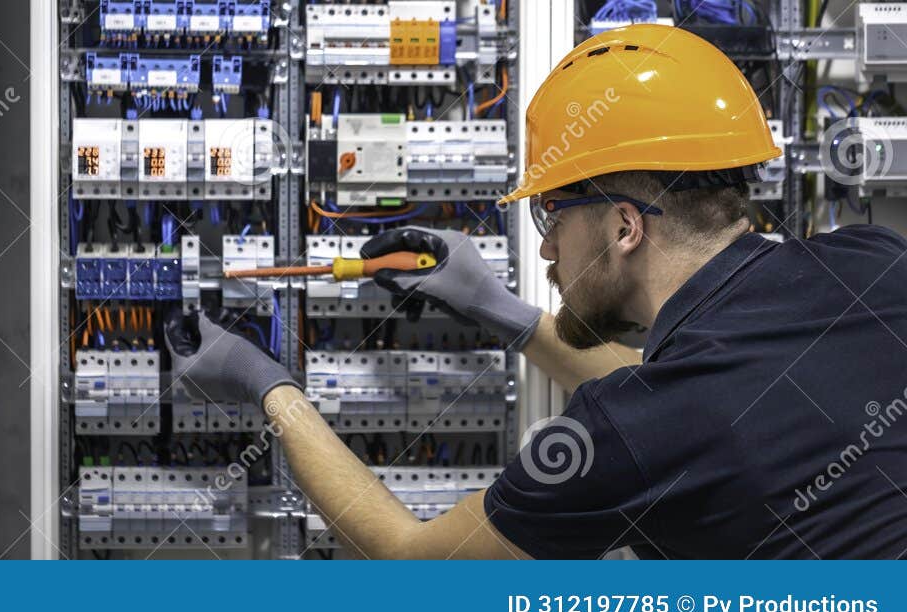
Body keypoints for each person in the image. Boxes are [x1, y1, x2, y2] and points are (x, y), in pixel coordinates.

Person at [166, 24, 907, 559]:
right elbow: (695, 405)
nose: (546, 247)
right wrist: (504, 313)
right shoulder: (871, 263)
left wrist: (271, 391)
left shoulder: (630, 431)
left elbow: (417, 567)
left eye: (552, 215)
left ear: (625, 227)